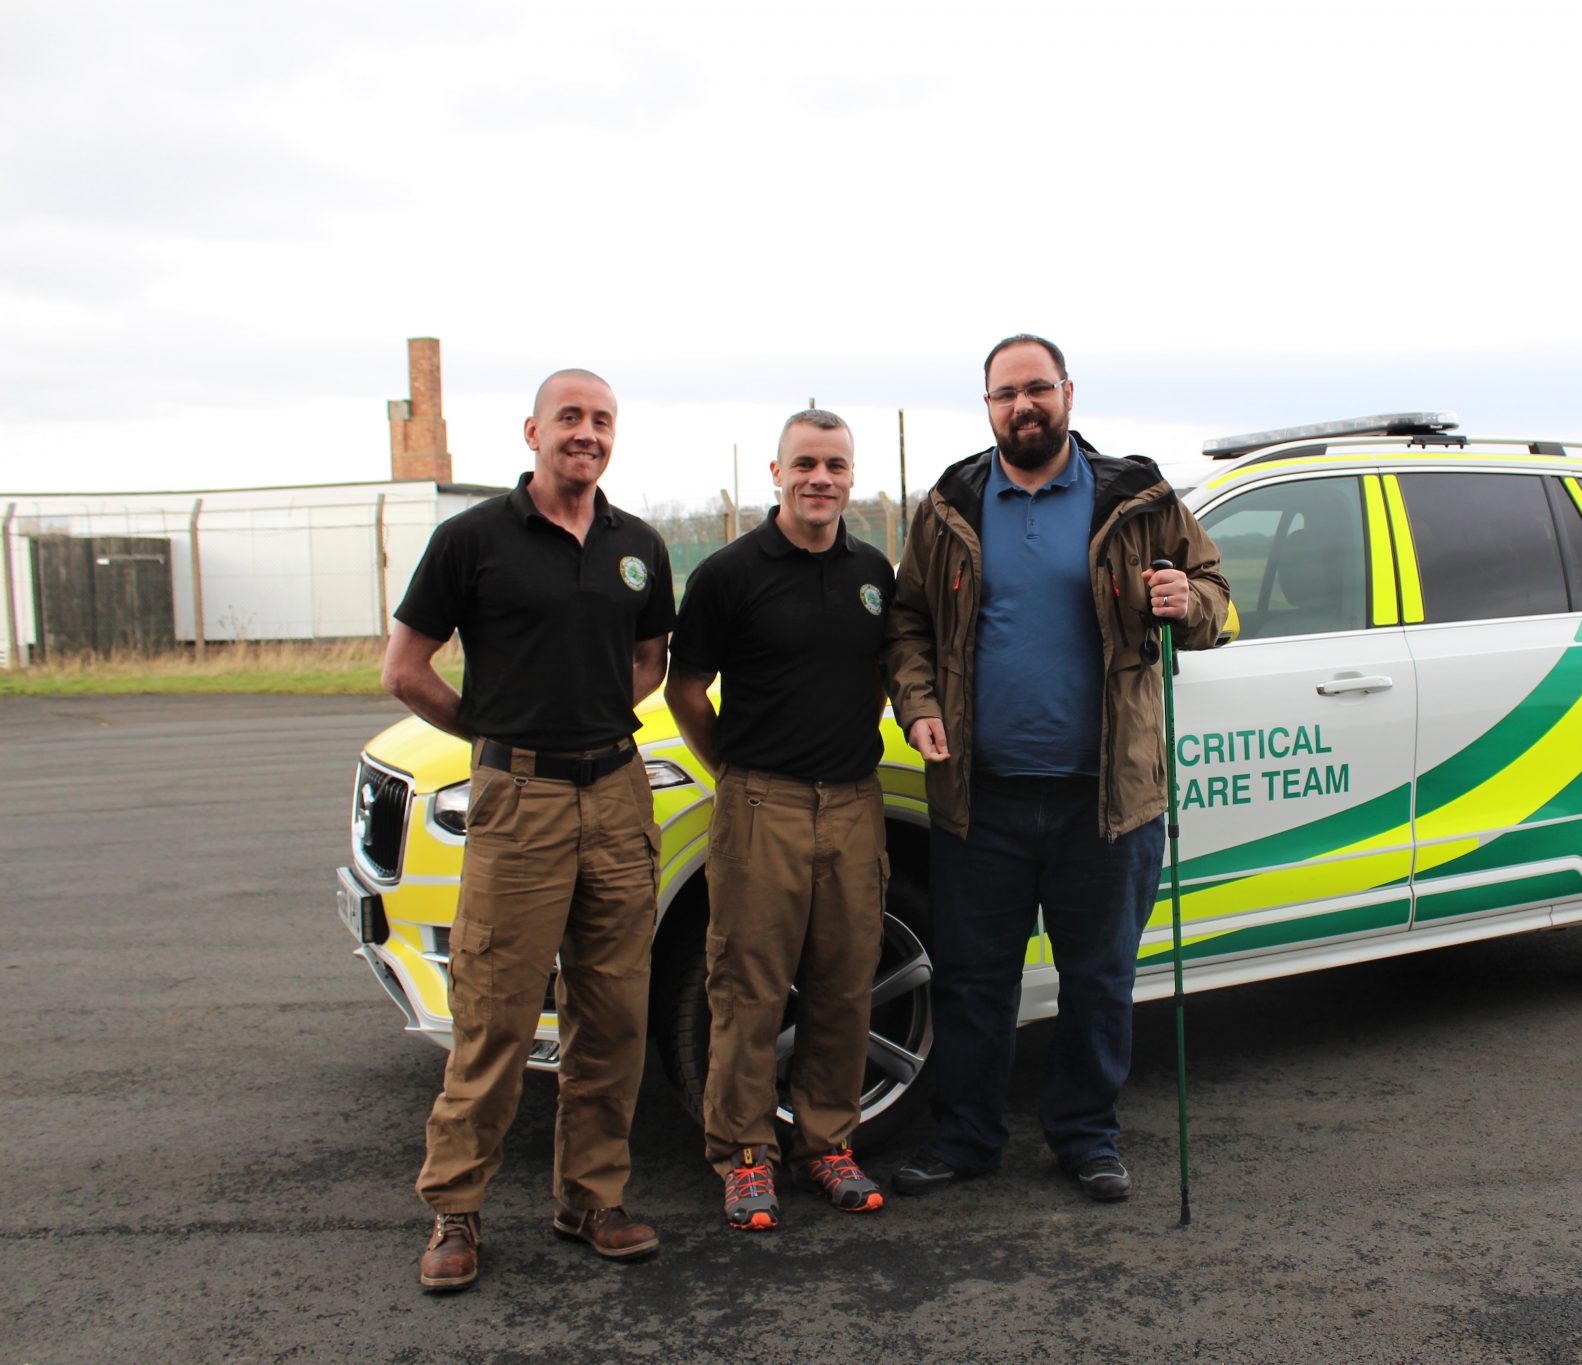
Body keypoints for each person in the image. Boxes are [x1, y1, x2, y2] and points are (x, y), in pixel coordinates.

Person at [883, 335, 1230, 1202]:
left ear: (1068, 393)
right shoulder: (951, 504)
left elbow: (1217, 598)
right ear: (988, 406)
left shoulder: (1138, 499)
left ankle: (1086, 1136)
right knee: (974, 981)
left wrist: (1188, 601)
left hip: (1106, 799)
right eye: (1006, 394)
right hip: (982, 797)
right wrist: (918, 704)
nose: (1023, 406)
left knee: (1100, 981)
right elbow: (908, 621)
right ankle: (966, 1137)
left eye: (1037, 388)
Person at [383, 369, 674, 1292]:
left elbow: (649, 659)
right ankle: (455, 1210)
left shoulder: (639, 545)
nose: (586, 433)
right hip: (521, 802)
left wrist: (591, 714)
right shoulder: (472, 539)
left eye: (602, 420)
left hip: (618, 794)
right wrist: (494, 731)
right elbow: (404, 668)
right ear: (532, 430)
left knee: (613, 1014)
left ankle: (591, 1198)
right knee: (497, 1015)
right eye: (569, 417)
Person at [665, 409, 896, 1230]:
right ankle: (744, 1154)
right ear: (776, 472)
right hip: (761, 803)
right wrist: (733, 769)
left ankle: (828, 1143)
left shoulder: (873, 572)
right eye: (805, 463)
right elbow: (685, 689)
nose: (820, 478)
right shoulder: (728, 574)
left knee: (844, 981)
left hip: (854, 803)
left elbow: (878, 672)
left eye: (835, 464)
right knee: (748, 986)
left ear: (851, 475)